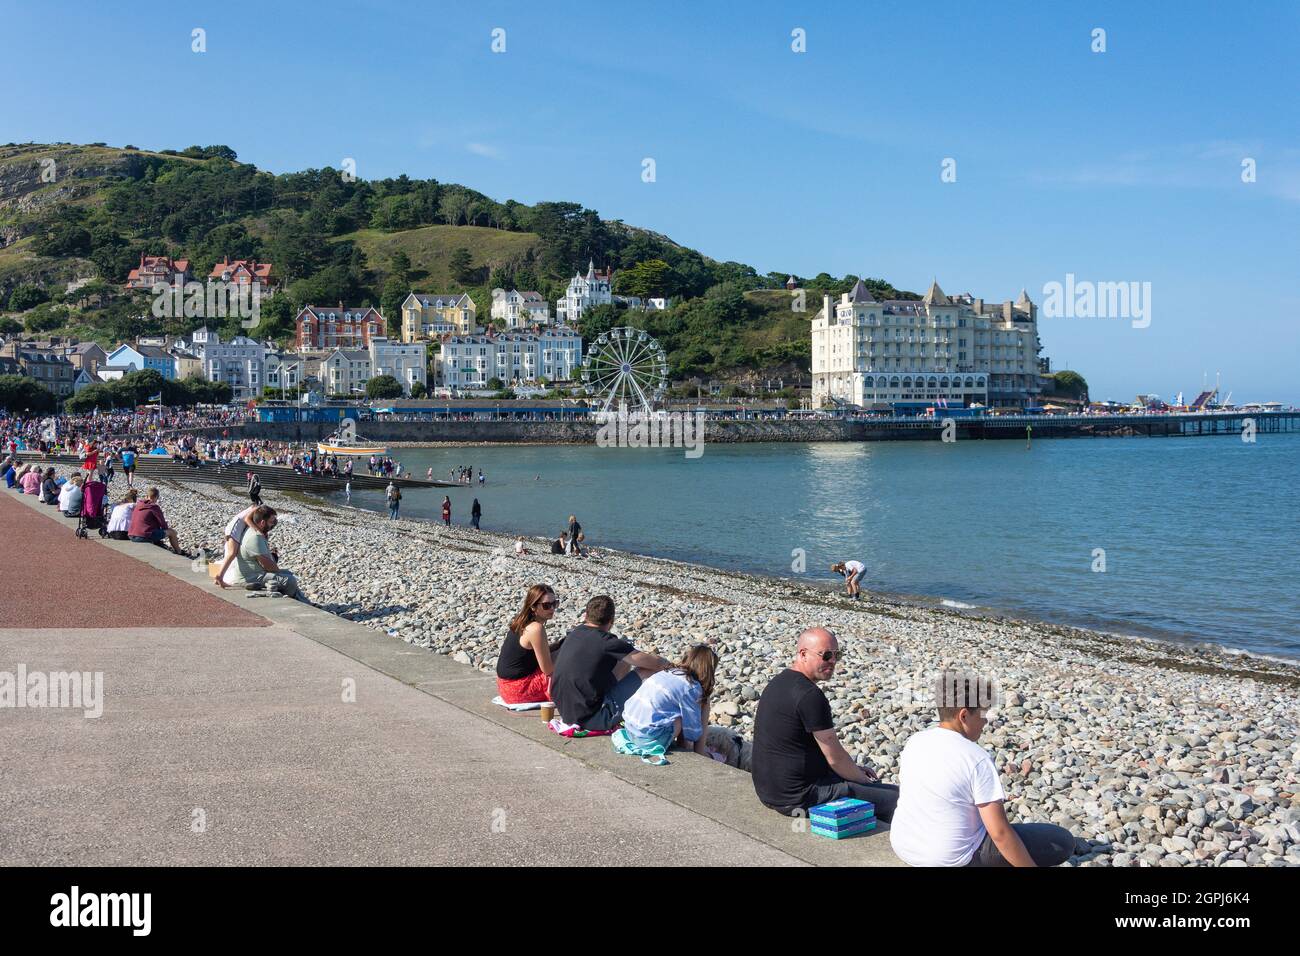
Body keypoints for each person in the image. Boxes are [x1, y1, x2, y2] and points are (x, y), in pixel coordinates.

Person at [890, 673, 1073, 867]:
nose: (986, 721)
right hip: (950, 859)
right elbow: (999, 833)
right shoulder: (976, 758)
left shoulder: (916, 741)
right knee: (1061, 840)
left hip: (904, 846)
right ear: (963, 715)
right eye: (983, 713)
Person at [751, 627, 899, 820]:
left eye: (837, 655)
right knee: (899, 799)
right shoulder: (809, 696)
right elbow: (835, 757)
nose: (833, 662)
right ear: (803, 654)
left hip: (770, 791)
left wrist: (854, 771)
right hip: (800, 797)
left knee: (875, 787)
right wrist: (865, 782)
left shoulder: (779, 682)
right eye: (826, 655)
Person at [549, 595, 671, 731]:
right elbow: (653, 664)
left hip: (566, 712)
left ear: (585, 616)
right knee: (646, 670)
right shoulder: (607, 642)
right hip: (591, 719)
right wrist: (668, 664)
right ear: (611, 621)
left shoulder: (574, 634)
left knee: (623, 661)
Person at [620, 644, 717, 756]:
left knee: (675, 711)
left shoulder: (667, 672)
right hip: (646, 740)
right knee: (682, 717)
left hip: (629, 730)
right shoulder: (692, 687)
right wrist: (705, 709)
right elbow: (692, 733)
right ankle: (698, 753)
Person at [495, 584, 560, 705]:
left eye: (555, 603)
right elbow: (548, 669)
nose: (552, 609)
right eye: (546, 605)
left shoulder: (521, 621)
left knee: (561, 652)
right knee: (568, 660)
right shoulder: (536, 628)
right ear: (533, 607)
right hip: (519, 689)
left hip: (504, 686)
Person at [221, 505, 299, 598]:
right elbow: (269, 566)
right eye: (271, 522)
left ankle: (302, 599)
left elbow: (249, 518)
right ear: (262, 522)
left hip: (253, 572)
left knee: (288, 573)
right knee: (289, 580)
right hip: (251, 577)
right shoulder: (256, 537)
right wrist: (277, 570)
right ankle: (294, 599)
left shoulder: (252, 529)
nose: (273, 525)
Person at [126, 486, 186, 555]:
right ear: (156, 497)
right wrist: (164, 530)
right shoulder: (154, 507)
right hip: (142, 536)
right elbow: (163, 524)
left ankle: (158, 543)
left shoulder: (138, 505)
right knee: (172, 532)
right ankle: (179, 552)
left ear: (146, 496)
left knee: (152, 528)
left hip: (131, 535)